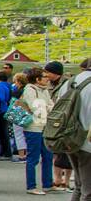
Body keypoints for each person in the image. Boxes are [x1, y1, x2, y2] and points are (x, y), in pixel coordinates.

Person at [56, 57, 91, 201]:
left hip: (68, 139)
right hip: (87, 142)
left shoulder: (70, 82)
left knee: (79, 186)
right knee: (89, 190)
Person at [19, 67, 55, 194]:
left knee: (48, 156)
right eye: (45, 76)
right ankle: (31, 186)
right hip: (33, 127)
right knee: (33, 158)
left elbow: (51, 105)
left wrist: (46, 107)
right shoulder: (30, 90)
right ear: (37, 79)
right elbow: (37, 108)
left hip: (44, 126)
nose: (47, 78)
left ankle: (48, 183)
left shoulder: (44, 90)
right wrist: (47, 107)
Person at [45, 61, 72, 192]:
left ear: (56, 73)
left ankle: (66, 180)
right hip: (52, 120)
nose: (46, 75)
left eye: (48, 72)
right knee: (55, 150)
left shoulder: (69, 84)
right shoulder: (47, 84)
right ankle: (57, 179)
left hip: (65, 120)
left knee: (68, 151)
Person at [0, 70, 14, 159]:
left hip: (0, 111)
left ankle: (6, 152)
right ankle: (6, 152)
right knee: (4, 132)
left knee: (2, 133)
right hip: (6, 109)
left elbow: (0, 98)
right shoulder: (8, 85)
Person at [10, 73, 30, 159]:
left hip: (18, 114)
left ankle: (21, 155)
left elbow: (12, 103)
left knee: (19, 135)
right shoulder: (28, 90)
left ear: (18, 81)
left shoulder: (16, 92)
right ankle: (28, 153)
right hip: (28, 113)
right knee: (28, 134)